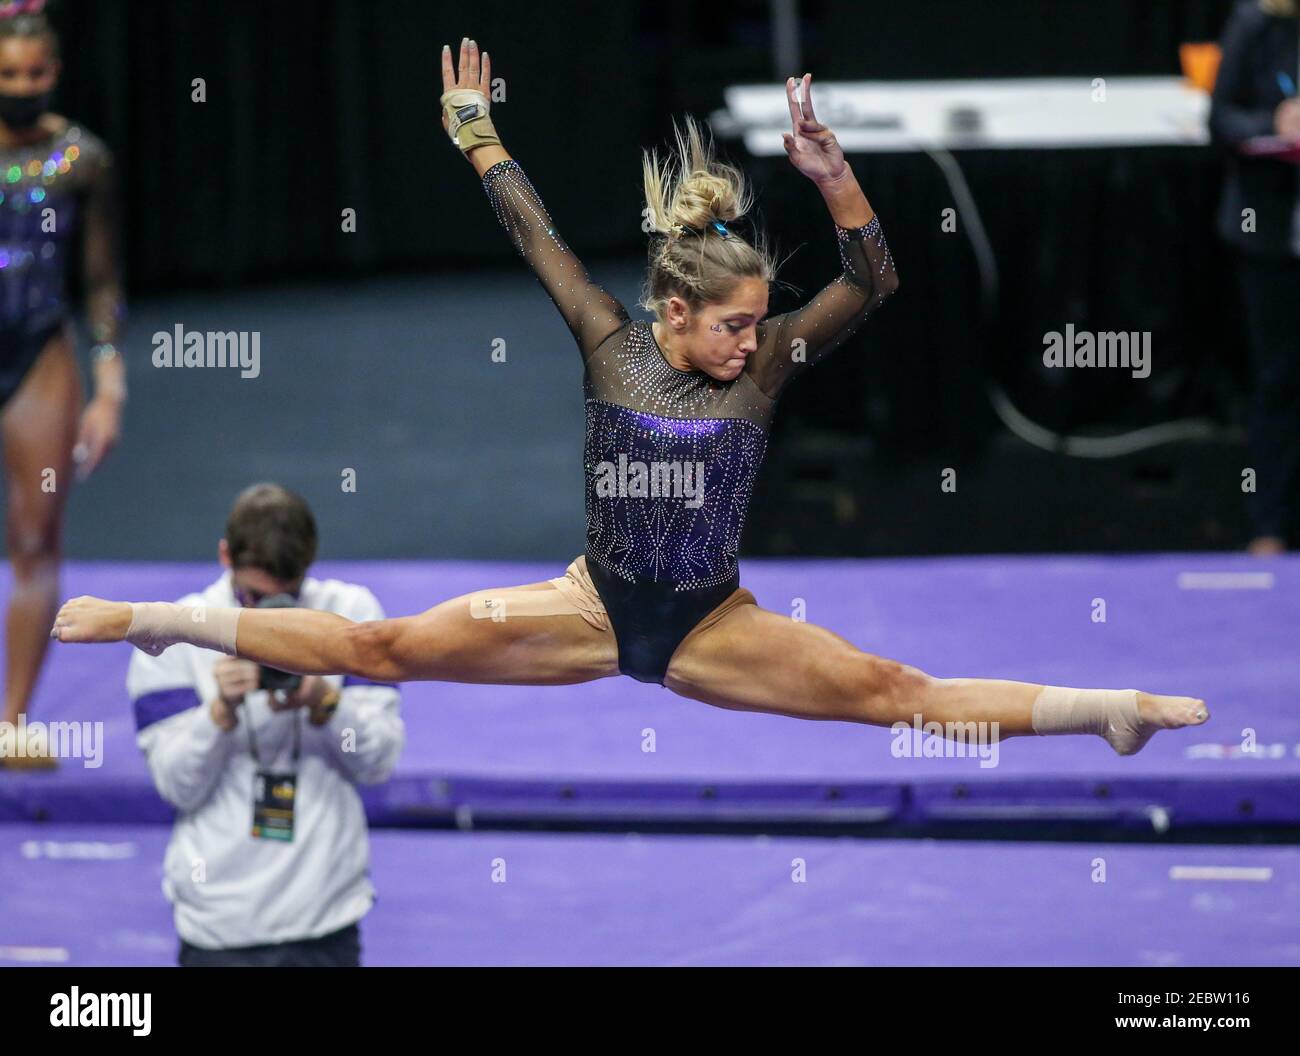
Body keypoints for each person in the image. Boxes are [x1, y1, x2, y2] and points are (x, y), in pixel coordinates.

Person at [51, 40, 1208, 758]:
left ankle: (1098, 706)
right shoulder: (609, 342)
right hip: (588, 607)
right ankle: (158, 621)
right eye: (735, 323)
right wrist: (476, 138)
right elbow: (538, 237)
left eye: (763, 322)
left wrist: (833, 177)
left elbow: (873, 280)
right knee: (380, 644)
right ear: (670, 313)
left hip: (712, 622)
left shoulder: (760, 371)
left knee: (897, 695)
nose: (758, 340)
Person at [128, 484, 404, 967]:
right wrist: (219, 715)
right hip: (219, 924)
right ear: (223, 556)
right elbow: (176, 786)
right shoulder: (174, 634)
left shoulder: (353, 617)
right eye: (252, 598)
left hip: (325, 916)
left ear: (309, 568)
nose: (268, 622)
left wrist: (327, 704)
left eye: (287, 600)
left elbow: (379, 763)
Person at [0, 0, 125, 768]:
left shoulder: (83, 159)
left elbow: (103, 280)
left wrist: (110, 384)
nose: (22, 83)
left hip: (40, 353)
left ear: (56, 71)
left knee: (37, 538)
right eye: (8, 73)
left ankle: (9, 721)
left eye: (34, 71)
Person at [1210, 0, 1300, 555]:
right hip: (1271, 235)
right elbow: (1220, 119)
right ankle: (1269, 525)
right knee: (1279, 379)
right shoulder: (1256, 22)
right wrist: (1274, 123)